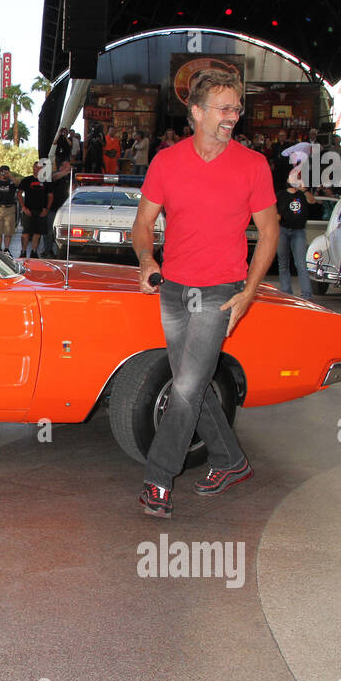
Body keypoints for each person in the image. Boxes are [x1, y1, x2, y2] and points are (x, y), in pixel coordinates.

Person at [130, 69, 278, 518]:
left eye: (237, 108)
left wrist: (249, 293)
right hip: (173, 289)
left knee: (189, 384)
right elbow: (142, 225)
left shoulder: (252, 165)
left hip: (221, 292)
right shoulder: (166, 162)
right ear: (195, 112)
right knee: (189, 386)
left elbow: (269, 232)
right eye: (224, 108)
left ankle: (158, 479)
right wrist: (146, 259)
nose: (233, 116)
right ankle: (231, 461)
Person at [275, 169, 316, 297]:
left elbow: (312, 201)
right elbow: (275, 212)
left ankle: (306, 294)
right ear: (287, 181)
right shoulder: (281, 195)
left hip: (298, 230)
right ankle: (286, 292)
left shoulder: (302, 195)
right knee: (283, 262)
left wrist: (304, 189)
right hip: (283, 230)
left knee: (301, 263)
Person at [18, 160, 51, 258]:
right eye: (36, 167)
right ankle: (23, 251)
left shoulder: (46, 181)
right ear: (33, 168)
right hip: (28, 210)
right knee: (25, 233)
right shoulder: (26, 180)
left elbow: (50, 196)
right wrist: (23, 207)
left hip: (41, 211)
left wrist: (47, 209)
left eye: (40, 167)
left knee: (37, 233)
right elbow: (19, 193)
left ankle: (34, 251)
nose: (38, 169)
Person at [0, 165, 18, 254]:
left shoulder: (11, 182)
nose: (4, 174)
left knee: (8, 231)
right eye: (2, 171)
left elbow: (18, 184)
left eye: (6, 172)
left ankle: (6, 249)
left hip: (9, 207)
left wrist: (10, 176)